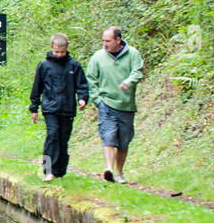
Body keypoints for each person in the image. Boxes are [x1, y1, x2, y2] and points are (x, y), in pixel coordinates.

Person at [85, 26, 144, 184]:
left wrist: (128, 82)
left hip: (126, 105)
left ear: (118, 40)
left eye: (108, 41)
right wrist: (97, 100)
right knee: (109, 136)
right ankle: (109, 169)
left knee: (123, 141)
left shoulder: (133, 54)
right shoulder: (98, 57)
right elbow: (90, 79)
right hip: (106, 103)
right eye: (103, 41)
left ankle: (119, 173)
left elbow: (138, 71)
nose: (105, 44)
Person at [29, 34, 88, 181]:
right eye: (56, 52)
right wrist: (34, 108)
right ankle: (48, 170)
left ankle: (60, 172)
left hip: (67, 108)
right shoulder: (44, 65)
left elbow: (82, 85)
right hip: (50, 108)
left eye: (62, 52)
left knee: (63, 139)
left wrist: (82, 99)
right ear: (51, 48)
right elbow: (37, 87)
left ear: (66, 49)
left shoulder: (74, 65)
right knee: (53, 136)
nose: (59, 55)